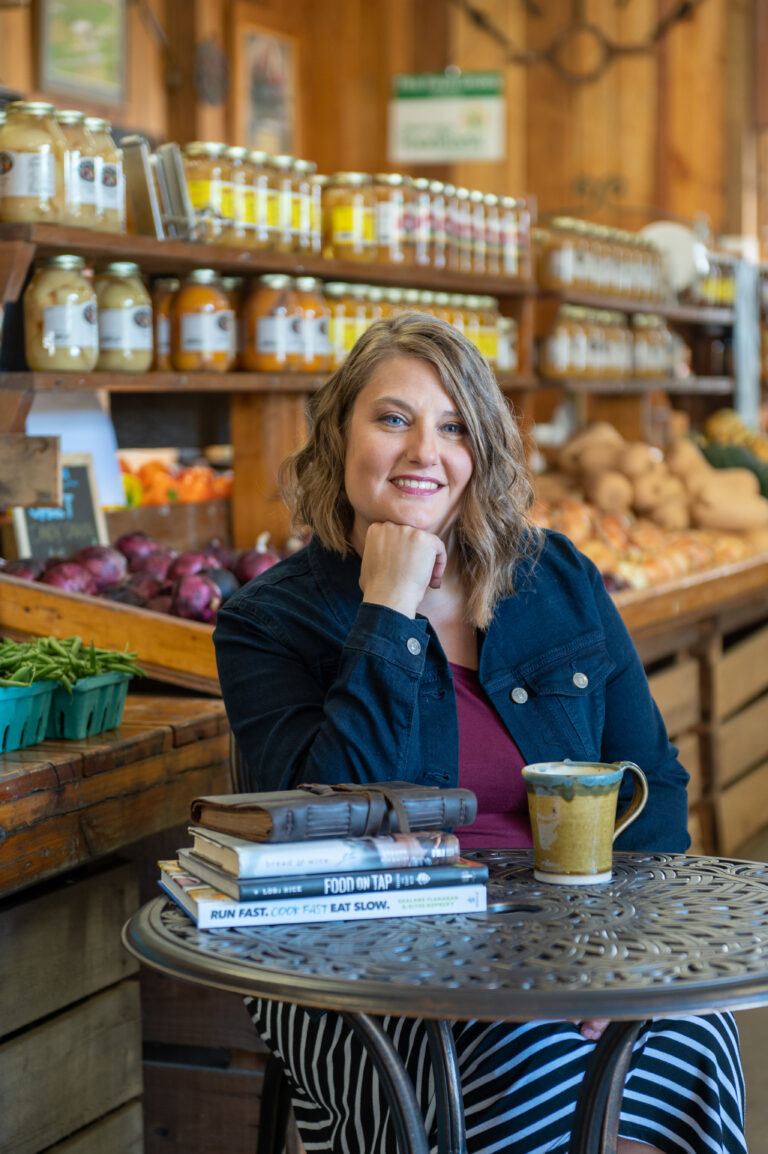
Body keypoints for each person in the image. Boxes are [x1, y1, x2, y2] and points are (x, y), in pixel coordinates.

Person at [213, 313, 745, 1154]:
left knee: (689, 1033)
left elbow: (654, 783)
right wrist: (387, 610)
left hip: (572, 928)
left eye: (455, 426)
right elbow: (322, 820)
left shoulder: (556, 577)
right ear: (337, 436)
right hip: (357, 960)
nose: (426, 451)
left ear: (482, 451)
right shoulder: (267, 622)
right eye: (393, 419)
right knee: (523, 1062)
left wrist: (621, 952)